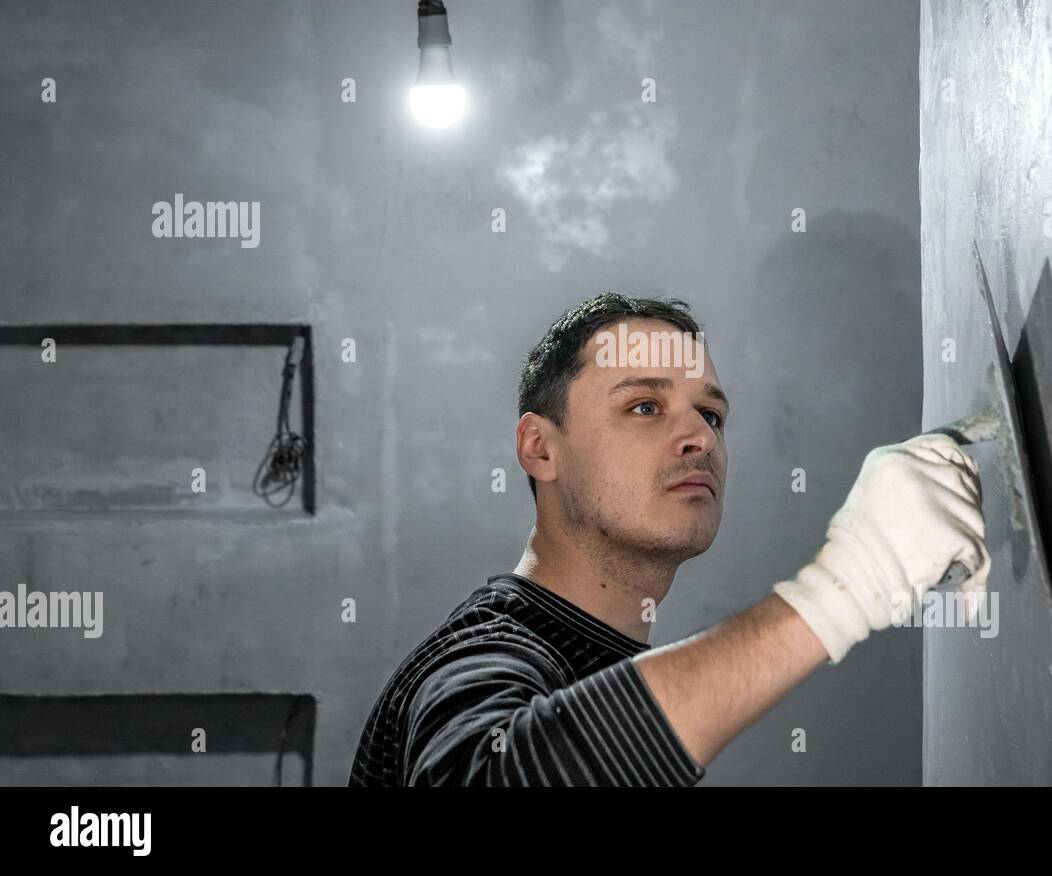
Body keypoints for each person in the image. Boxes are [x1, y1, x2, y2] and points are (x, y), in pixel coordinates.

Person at [349, 292, 990, 786]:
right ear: (540, 449)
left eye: (710, 414)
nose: (702, 438)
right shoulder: (488, 654)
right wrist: (847, 589)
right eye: (645, 407)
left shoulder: (607, 672)